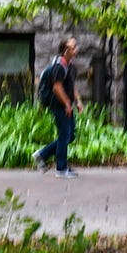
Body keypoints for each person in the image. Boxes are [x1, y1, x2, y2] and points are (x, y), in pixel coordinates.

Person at [33, 37, 80, 179]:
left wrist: (77, 101)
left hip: (67, 105)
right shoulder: (59, 67)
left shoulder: (70, 66)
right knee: (65, 135)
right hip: (58, 105)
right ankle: (61, 168)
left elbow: (72, 86)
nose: (75, 49)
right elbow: (56, 88)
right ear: (66, 51)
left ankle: (42, 155)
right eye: (73, 47)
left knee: (69, 136)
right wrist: (66, 104)